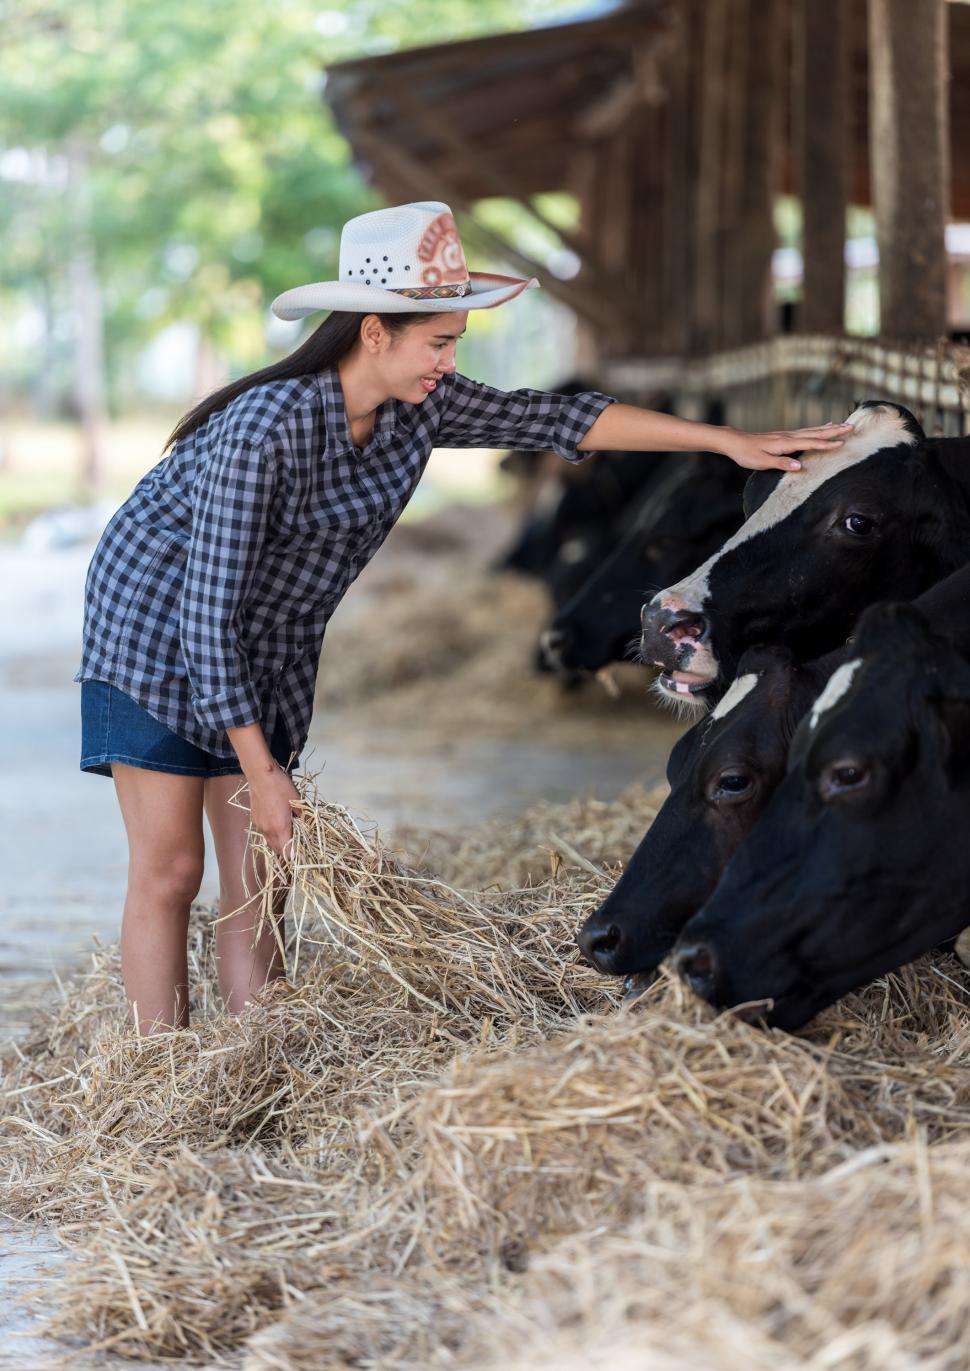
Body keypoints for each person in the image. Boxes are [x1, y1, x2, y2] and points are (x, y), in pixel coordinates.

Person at [74, 200, 853, 1036]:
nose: (450, 361)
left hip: (266, 638)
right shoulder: (266, 428)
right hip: (157, 631)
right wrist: (261, 771)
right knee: (171, 868)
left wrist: (724, 441)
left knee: (264, 873)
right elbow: (207, 613)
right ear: (374, 332)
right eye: (439, 341)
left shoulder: (420, 407)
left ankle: (252, 1052)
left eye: (456, 341)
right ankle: (160, 1070)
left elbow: (561, 419)